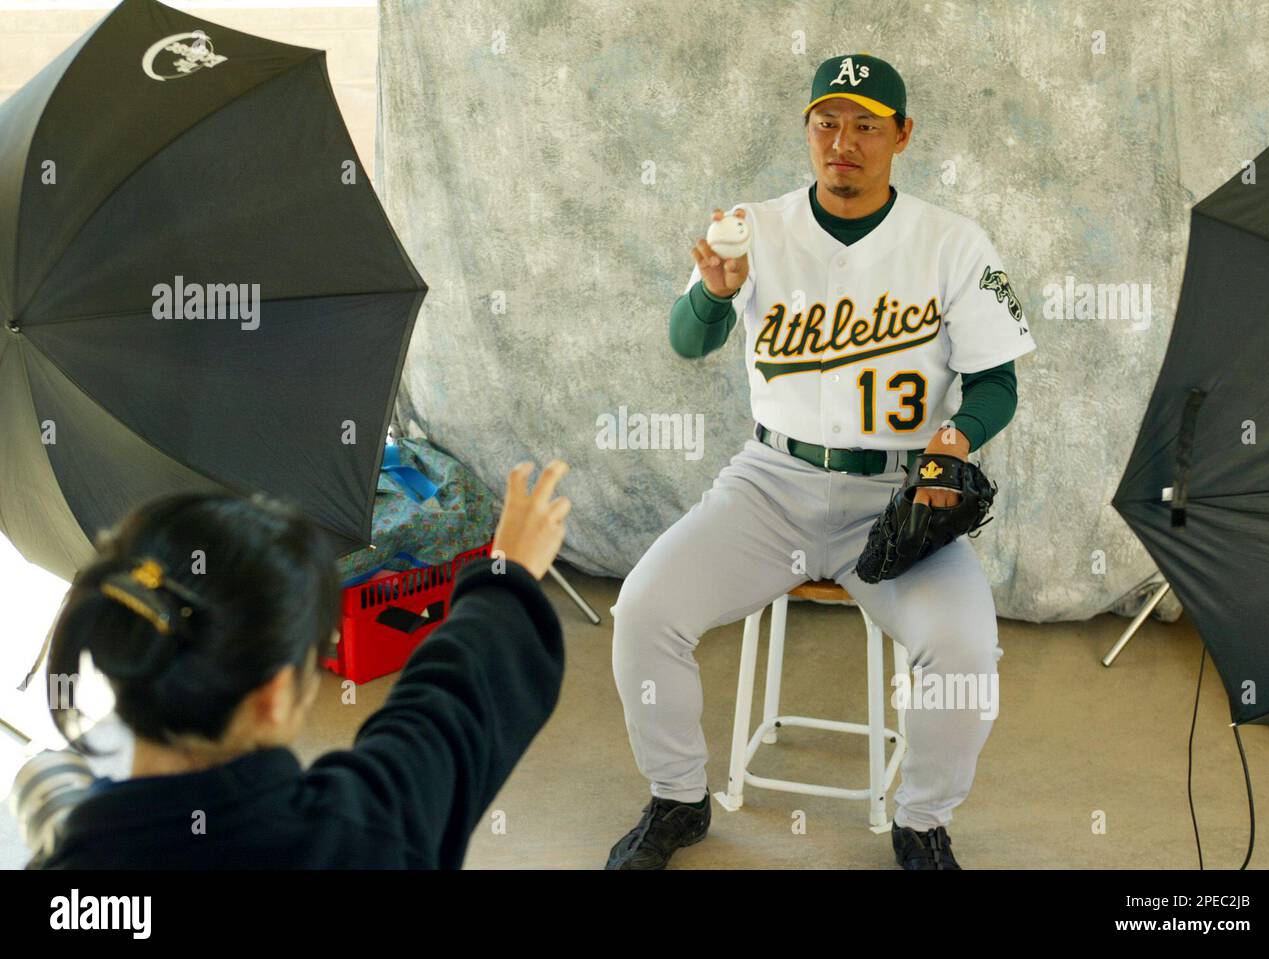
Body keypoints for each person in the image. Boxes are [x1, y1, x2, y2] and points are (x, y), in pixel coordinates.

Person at [607, 53, 1036, 870]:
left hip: (897, 492)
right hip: (770, 485)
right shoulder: (753, 227)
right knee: (644, 611)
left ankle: (921, 822)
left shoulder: (953, 242)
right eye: (827, 121)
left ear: (902, 136)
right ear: (807, 129)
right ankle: (677, 800)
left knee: (967, 651)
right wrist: (715, 292)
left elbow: (996, 380)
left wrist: (956, 438)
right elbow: (686, 341)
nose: (845, 140)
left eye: (867, 124)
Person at [37, 459, 571, 869]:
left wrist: (75, 815)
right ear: (272, 698)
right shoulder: (351, 838)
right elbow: (445, 719)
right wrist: (506, 573)